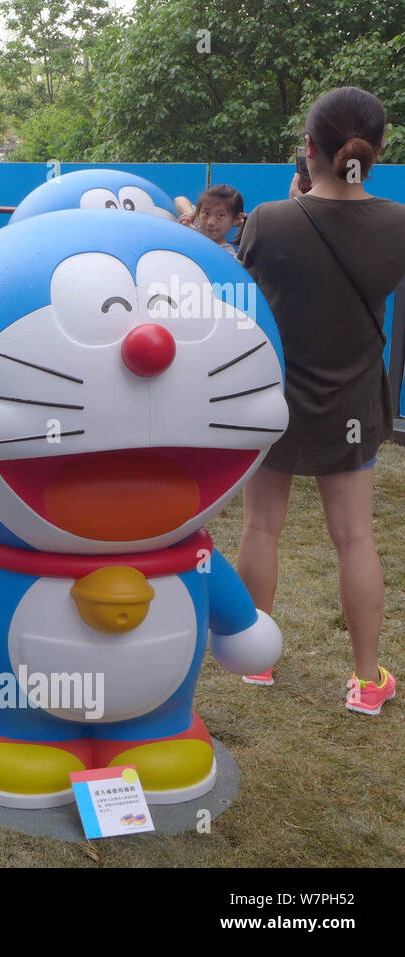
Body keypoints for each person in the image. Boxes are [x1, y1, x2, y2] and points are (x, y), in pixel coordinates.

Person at [234, 86, 405, 715]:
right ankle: (366, 682)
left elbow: (252, 286)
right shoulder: (397, 221)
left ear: (308, 150)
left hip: (273, 397)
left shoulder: (270, 220)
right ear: (377, 151)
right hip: (355, 404)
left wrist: (293, 210)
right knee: (355, 537)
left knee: (260, 527)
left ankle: (257, 662)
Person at [175, 184, 246, 256]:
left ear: (236, 219)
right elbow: (179, 199)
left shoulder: (226, 254)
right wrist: (190, 214)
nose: (210, 222)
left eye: (221, 215)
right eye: (206, 213)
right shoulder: (197, 226)